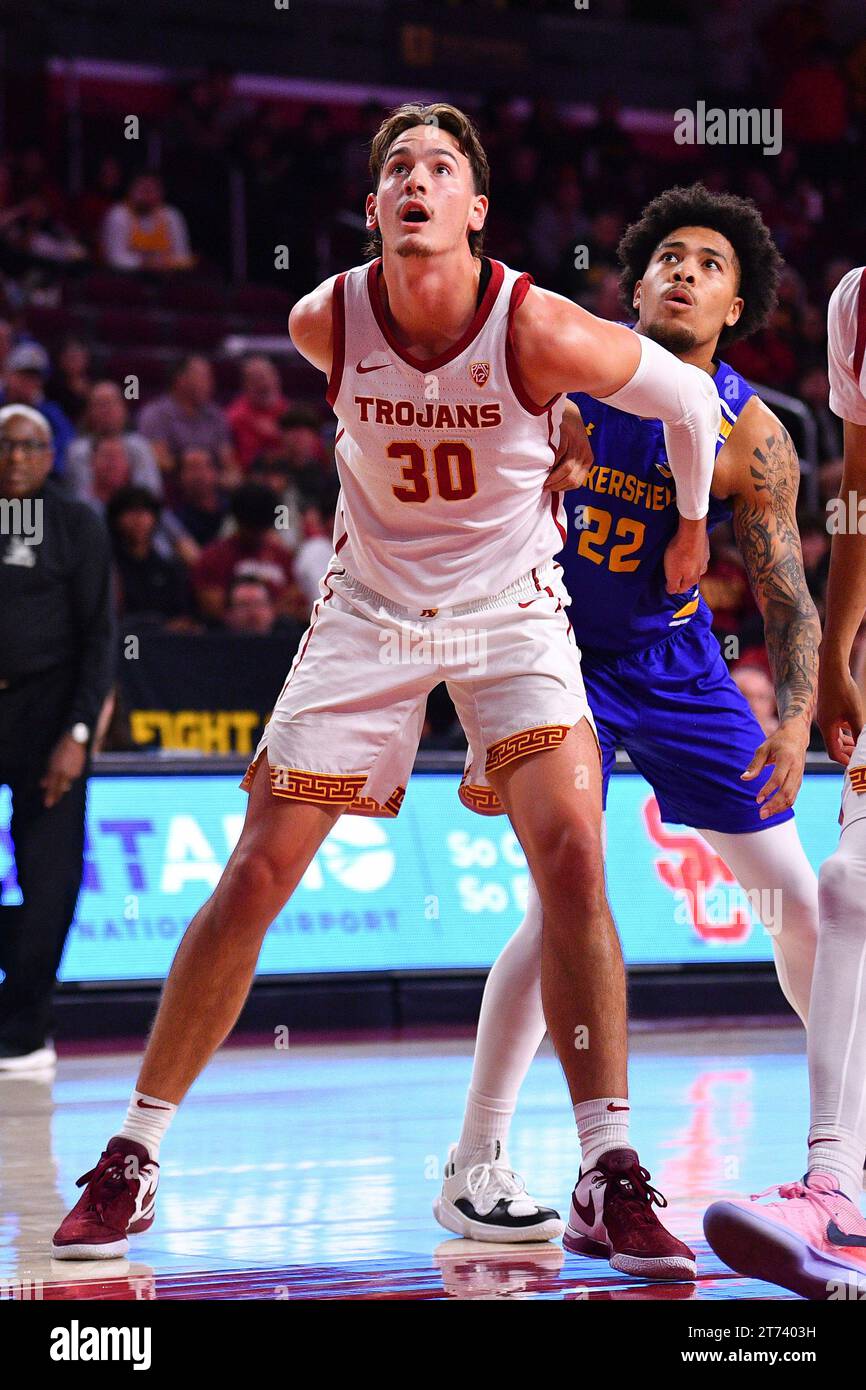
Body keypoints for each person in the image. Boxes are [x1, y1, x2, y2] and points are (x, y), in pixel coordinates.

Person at [51, 102, 720, 1275]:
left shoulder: (539, 327)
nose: (416, 180)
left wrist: (692, 524)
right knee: (256, 868)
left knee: (572, 854)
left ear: (474, 210)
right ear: (373, 209)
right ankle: (132, 1151)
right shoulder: (324, 320)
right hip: (366, 612)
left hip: (513, 613)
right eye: (396, 168)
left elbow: (685, 402)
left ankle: (607, 1165)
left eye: (441, 168)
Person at [436, 184, 822, 1248]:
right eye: (670, 258)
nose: (686, 271)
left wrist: (789, 723)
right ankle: (476, 1155)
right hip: (551, 652)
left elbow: (785, 597)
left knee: (794, 896)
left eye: (710, 264)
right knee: (561, 901)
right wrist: (473, 690)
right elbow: (470, 523)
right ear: (635, 283)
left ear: (734, 306)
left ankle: (840, 1142)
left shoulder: (756, 434)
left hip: (676, 663)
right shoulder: (560, 363)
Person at [703, 264, 866, 1298]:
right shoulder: (856, 304)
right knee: (846, 886)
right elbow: (857, 494)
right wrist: (838, 647)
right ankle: (835, 1192)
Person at [0, 404, 114, 1070]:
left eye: (29, 447)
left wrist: (78, 732)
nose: (15, 458)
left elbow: (100, 638)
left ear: (49, 456)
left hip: (49, 715)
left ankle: (26, 1025)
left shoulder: (76, 524)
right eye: (5, 446)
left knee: (50, 878)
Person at [137, 355, 236, 481]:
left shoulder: (216, 415)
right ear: (181, 380)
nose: (211, 383)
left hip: (213, 484)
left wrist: (229, 476)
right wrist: (194, 467)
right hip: (174, 486)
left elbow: (229, 462)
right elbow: (159, 461)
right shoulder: (155, 414)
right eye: (204, 377)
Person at [0, 343, 75, 474]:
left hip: (36, 477)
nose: (29, 382)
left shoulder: (50, 412)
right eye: (23, 375)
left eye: (35, 378)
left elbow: (67, 444)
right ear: (8, 374)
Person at [101, 173, 194, 272]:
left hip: (167, 276)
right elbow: (115, 257)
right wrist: (147, 263)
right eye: (142, 189)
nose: (147, 194)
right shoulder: (118, 214)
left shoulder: (172, 215)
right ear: (129, 191)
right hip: (126, 276)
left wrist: (165, 263)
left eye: (153, 189)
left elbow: (183, 254)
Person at [225, 355, 290, 471]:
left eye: (267, 376)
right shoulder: (235, 418)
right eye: (256, 378)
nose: (264, 383)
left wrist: (279, 435)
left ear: (277, 378)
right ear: (245, 384)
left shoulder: (289, 412)